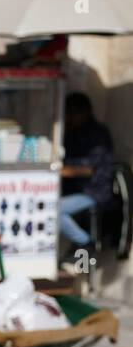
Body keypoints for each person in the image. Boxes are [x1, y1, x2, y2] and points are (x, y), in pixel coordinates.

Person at [58, 91, 115, 250]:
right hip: (74, 190)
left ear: (85, 112)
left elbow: (88, 169)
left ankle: (84, 243)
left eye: (72, 114)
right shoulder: (73, 132)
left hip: (94, 192)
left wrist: (62, 169)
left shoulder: (97, 135)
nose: (69, 118)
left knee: (54, 209)